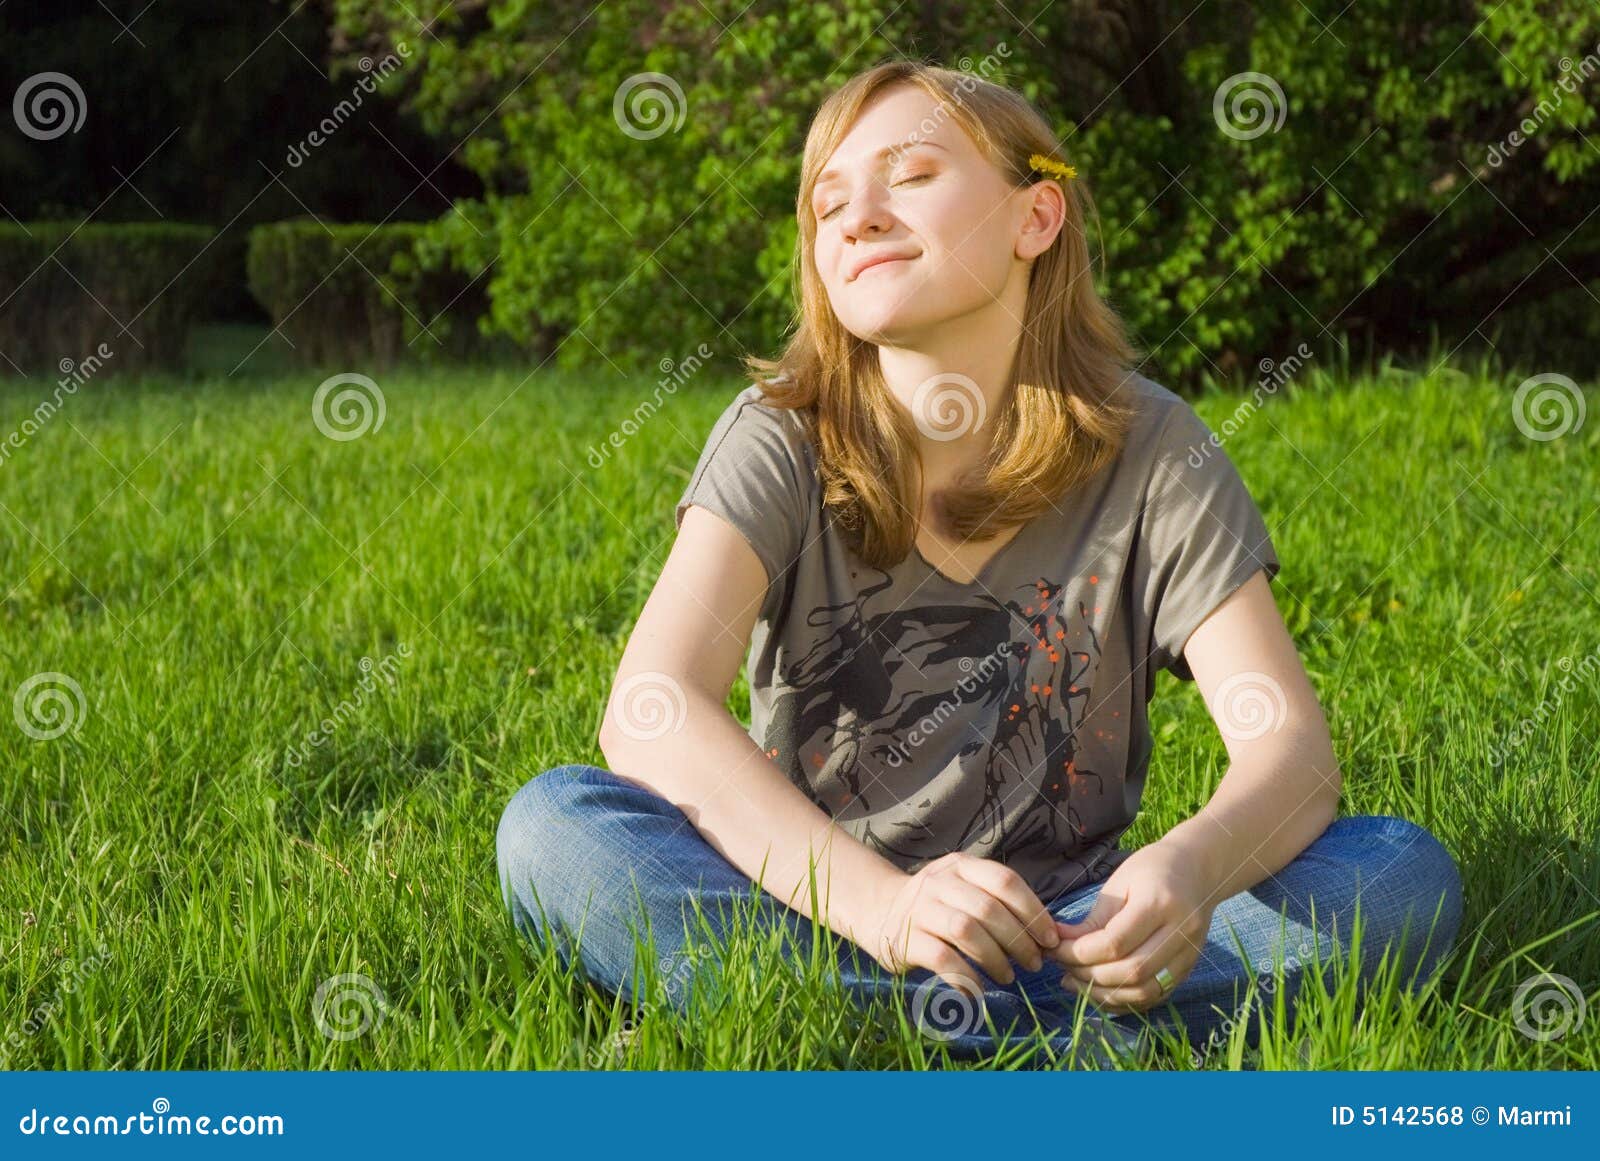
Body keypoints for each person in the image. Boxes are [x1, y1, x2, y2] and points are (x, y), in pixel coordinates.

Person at [496, 59, 1464, 1067]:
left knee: (1397, 873)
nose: (858, 218)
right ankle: (1061, 1051)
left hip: (1070, 935)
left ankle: (854, 1034)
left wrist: (1188, 871)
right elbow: (651, 710)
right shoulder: (780, 433)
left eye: (911, 175)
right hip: (817, 910)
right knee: (553, 826)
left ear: (1034, 216)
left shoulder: (1155, 450)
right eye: (827, 205)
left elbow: (1292, 754)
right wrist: (885, 909)